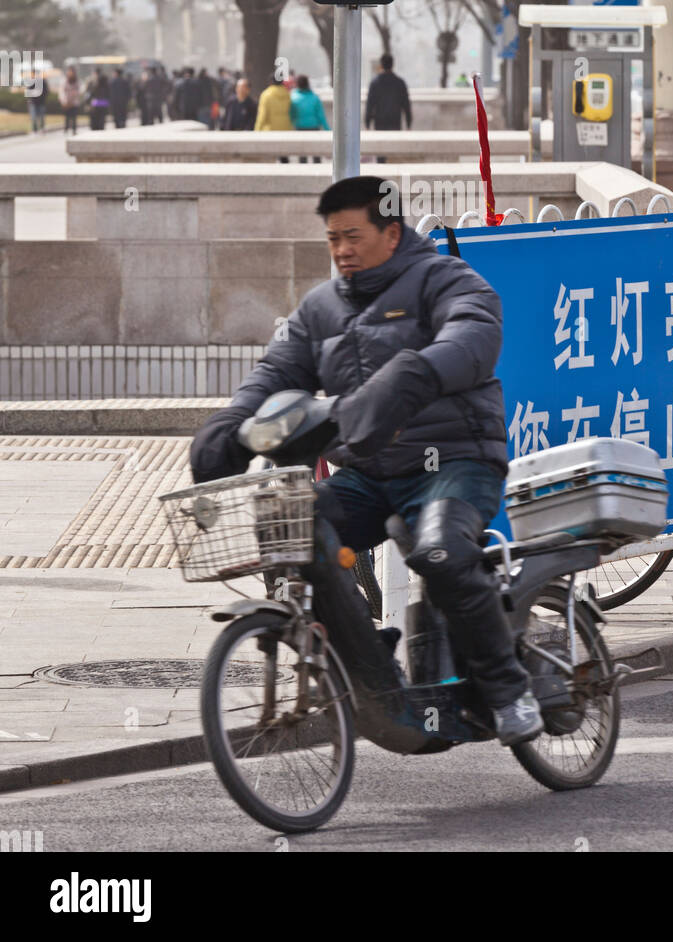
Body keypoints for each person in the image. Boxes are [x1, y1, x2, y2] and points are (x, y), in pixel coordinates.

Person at [189, 175, 543, 748]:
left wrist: (413, 375)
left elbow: (473, 334)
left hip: (453, 463)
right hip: (369, 475)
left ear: (392, 233)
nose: (342, 250)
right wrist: (229, 425)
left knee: (441, 552)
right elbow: (274, 373)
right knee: (290, 530)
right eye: (332, 239)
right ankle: (362, 652)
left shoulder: (444, 279)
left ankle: (507, 691)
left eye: (353, 236)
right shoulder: (321, 309)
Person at [365, 53, 412, 131]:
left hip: (379, 124)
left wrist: (367, 123)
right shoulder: (400, 83)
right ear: (392, 64)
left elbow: (370, 105)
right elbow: (406, 105)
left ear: (381, 65)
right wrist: (408, 124)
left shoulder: (375, 83)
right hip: (395, 123)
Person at [290, 73, 328, 162]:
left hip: (300, 128)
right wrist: (328, 130)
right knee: (316, 155)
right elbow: (321, 116)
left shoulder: (293, 98)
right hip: (314, 128)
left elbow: (291, 115)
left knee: (302, 155)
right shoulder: (315, 98)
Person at [58, 66, 80, 136]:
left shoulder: (77, 81)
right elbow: (61, 91)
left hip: (74, 102)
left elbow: (79, 91)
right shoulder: (65, 81)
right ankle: (66, 129)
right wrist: (63, 101)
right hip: (66, 102)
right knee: (67, 117)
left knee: (74, 117)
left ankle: (74, 129)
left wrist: (75, 95)